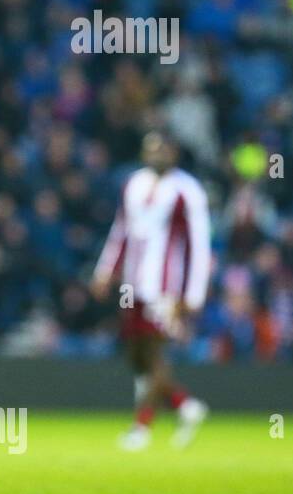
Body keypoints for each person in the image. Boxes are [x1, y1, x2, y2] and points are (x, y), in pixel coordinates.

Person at [91, 131, 212, 450]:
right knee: (136, 354)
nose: (156, 154)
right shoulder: (134, 183)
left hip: (165, 287)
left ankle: (141, 427)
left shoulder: (188, 190)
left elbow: (199, 245)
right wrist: (105, 271)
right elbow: (121, 230)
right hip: (133, 284)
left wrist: (193, 294)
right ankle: (184, 404)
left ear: (173, 153)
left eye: (162, 149)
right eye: (151, 149)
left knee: (155, 352)